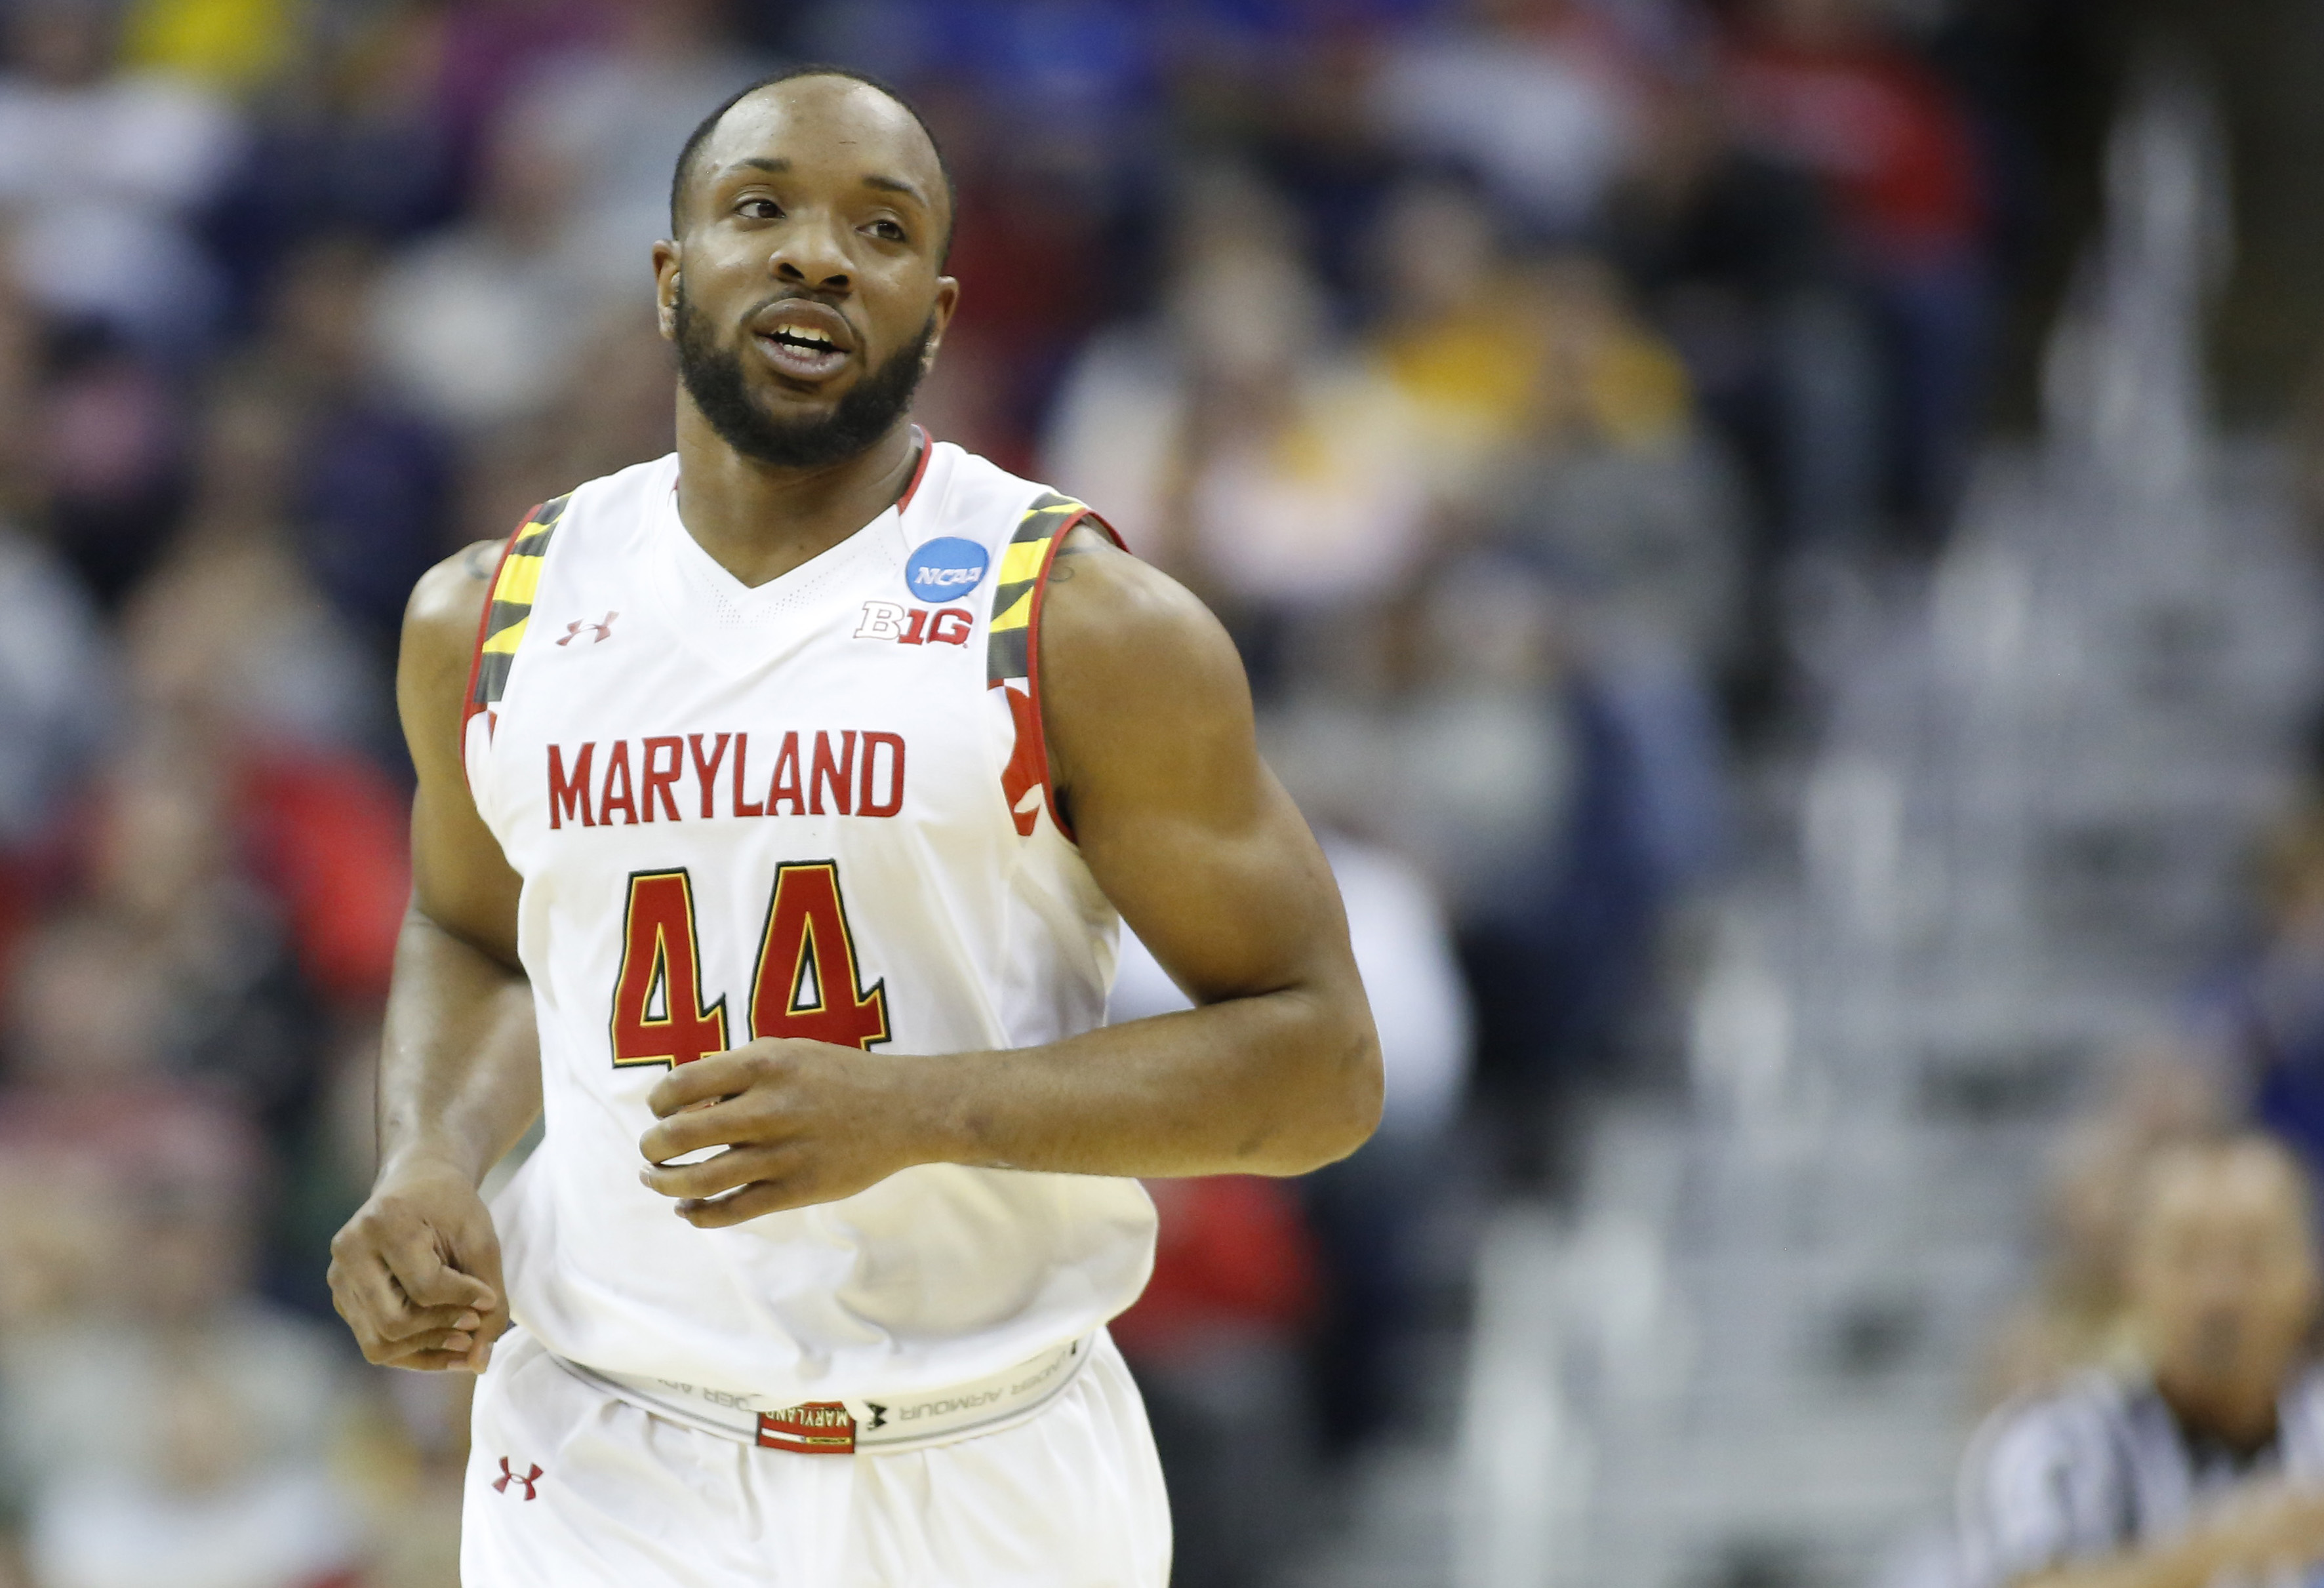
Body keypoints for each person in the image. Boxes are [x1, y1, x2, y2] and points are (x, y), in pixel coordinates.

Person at [324, 65, 1382, 1588]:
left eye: (879, 229)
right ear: (671, 275)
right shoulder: (488, 613)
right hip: (606, 1461)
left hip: (988, 1463)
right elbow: (476, 930)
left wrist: (918, 1112)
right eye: (762, 208)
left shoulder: (1077, 620)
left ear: (939, 315)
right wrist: (430, 1153)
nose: (818, 253)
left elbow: (1322, 1068)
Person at [1957, 1134, 2324, 1588]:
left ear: (2307, 1272)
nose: (2221, 1293)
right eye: (2187, 1257)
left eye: (2252, 1256)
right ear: (2133, 1273)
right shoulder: (2053, 1444)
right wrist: (2225, 1550)